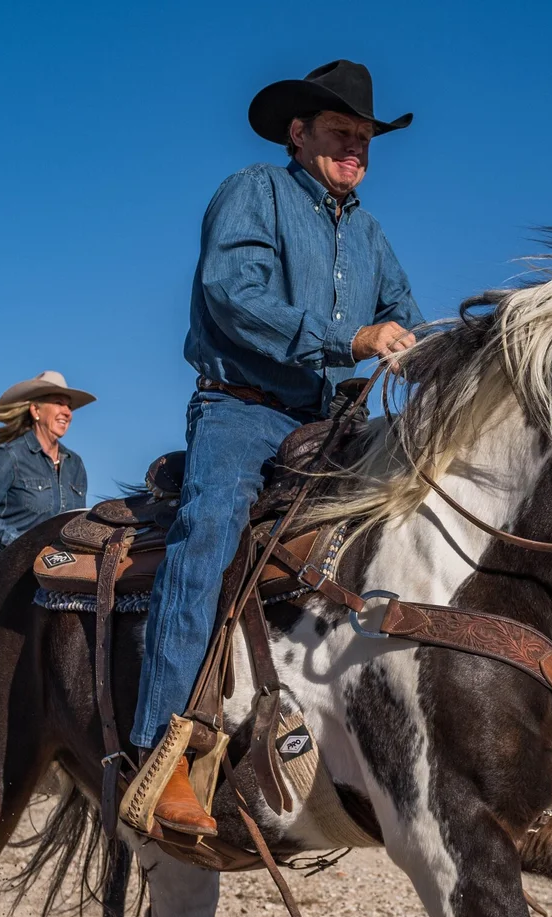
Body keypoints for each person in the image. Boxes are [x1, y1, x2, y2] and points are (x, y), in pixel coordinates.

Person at [132, 60, 424, 837]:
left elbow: (407, 318)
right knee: (209, 531)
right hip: (243, 408)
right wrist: (350, 338)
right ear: (298, 133)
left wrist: (451, 355)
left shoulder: (370, 234)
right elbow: (233, 296)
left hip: (328, 423)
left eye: (365, 138)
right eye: (340, 132)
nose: (355, 148)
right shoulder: (254, 191)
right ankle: (161, 748)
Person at [0, 370, 94, 603]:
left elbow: (76, 523)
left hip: (53, 567)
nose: (67, 412)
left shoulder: (75, 464)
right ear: (35, 410)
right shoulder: (10, 456)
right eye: (59, 403)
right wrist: (20, 545)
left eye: (69, 406)